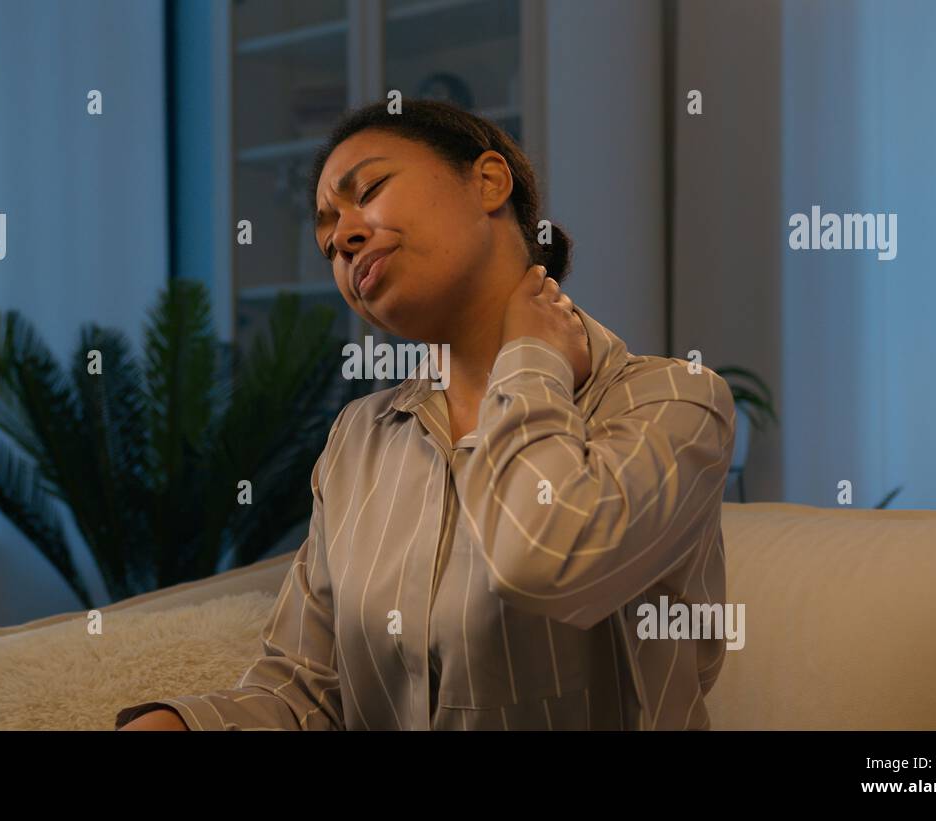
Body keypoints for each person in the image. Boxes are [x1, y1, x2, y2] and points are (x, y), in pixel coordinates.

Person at [118, 99, 734, 730]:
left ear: (489, 182)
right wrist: (176, 725)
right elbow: (310, 690)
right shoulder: (359, 439)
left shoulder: (674, 399)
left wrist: (529, 360)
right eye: (328, 239)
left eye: (370, 190)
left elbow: (545, 561)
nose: (343, 238)